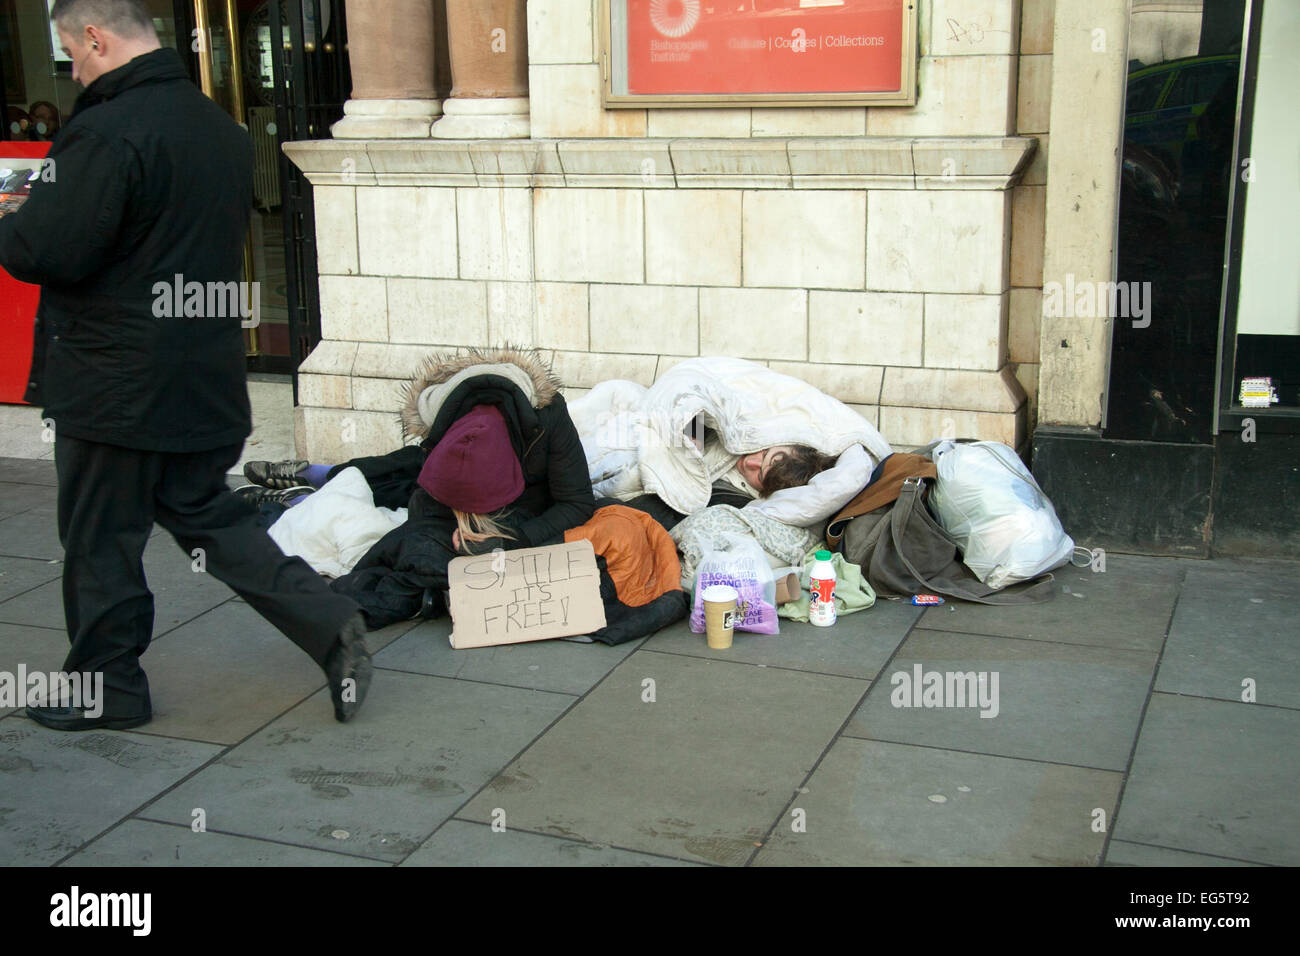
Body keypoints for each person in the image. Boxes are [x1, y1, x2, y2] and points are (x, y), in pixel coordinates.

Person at [0, 0, 370, 730]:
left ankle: (109, 688)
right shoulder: (219, 129)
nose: (73, 69)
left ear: (98, 38)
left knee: (102, 538)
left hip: (115, 383)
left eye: (73, 52)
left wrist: (13, 218)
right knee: (206, 515)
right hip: (200, 370)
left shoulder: (104, 131)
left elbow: (48, 251)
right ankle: (329, 621)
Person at [321, 347, 598, 629]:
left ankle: (430, 592)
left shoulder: (548, 417)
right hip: (451, 510)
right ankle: (400, 595)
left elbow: (576, 503)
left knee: (577, 545)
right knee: (418, 544)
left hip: (529, 512)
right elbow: (425, 506)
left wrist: (509, 542)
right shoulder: (441, 424)